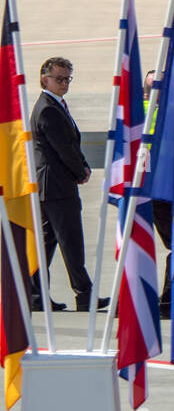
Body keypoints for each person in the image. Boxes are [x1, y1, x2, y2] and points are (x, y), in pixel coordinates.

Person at [29, 57, 108, 313]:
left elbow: (71, 143)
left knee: (47, 241)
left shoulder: (54, 105)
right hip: (57, 186)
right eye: (59, 79)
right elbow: (63, 148)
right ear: (45, 79)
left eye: (67, 79)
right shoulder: (48, 109)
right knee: (70, 240)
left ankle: (36, 295)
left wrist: (81, 164)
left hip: (51, 185)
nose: (64, 83)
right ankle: (84, 295)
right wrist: (80, 170)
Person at [142, 70, 171, 318]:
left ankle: (132, 300)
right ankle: (167, 301)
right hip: (156, 189)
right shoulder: (162, 115)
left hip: (145, 189)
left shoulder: (137, 112)